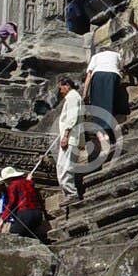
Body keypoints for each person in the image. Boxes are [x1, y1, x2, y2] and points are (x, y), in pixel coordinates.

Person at [54, 76, 85, 204]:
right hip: (73, 136)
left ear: (66, 85)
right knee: (63, 166)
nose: (60, 91)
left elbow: (72, 117)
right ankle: (69, 193)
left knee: (64, 167)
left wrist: (66, 135)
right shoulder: (74, 97)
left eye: (60, 87)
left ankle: (71, 193)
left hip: (71, 137)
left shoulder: (72, 97)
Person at [0, 166, 45, 238]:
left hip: (25, 214)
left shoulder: (13, 185)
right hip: (38, 214)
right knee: (29, 234)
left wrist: (2, 219)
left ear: (9, 179)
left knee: (13, 235)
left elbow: (11, 203)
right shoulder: (29, 182)